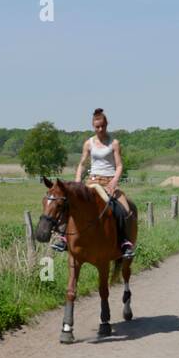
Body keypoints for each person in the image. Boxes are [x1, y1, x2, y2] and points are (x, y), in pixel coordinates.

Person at [51, 108, 136, 260]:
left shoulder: (114, 143)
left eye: (103, 126)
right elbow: (82, 164)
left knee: (123, 209)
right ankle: (64, 239)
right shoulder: (88, 143)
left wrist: (115, 181)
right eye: (97, 127)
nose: (100, 129)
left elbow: (120, 165)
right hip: (92, 181)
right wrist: (77, 181)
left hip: (109, 182)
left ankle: (124, 243)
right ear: (93, 126)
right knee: (73, 205)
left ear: (106, 125)